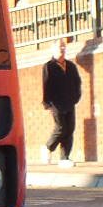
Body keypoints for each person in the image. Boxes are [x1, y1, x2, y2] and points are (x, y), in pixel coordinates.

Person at [40, 37, 82, 166]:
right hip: (56, 103)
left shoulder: (71, 66)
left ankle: (65, 158)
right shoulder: (49, 66)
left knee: (70, 129)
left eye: (64, 47)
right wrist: (47, 102)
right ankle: (48, 147)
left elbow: (77, 82)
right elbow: (46, 84)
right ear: (53, 50)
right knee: (61, 128)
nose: (63, 49)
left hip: (70, 102)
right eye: (60, 47)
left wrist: (76, 97)